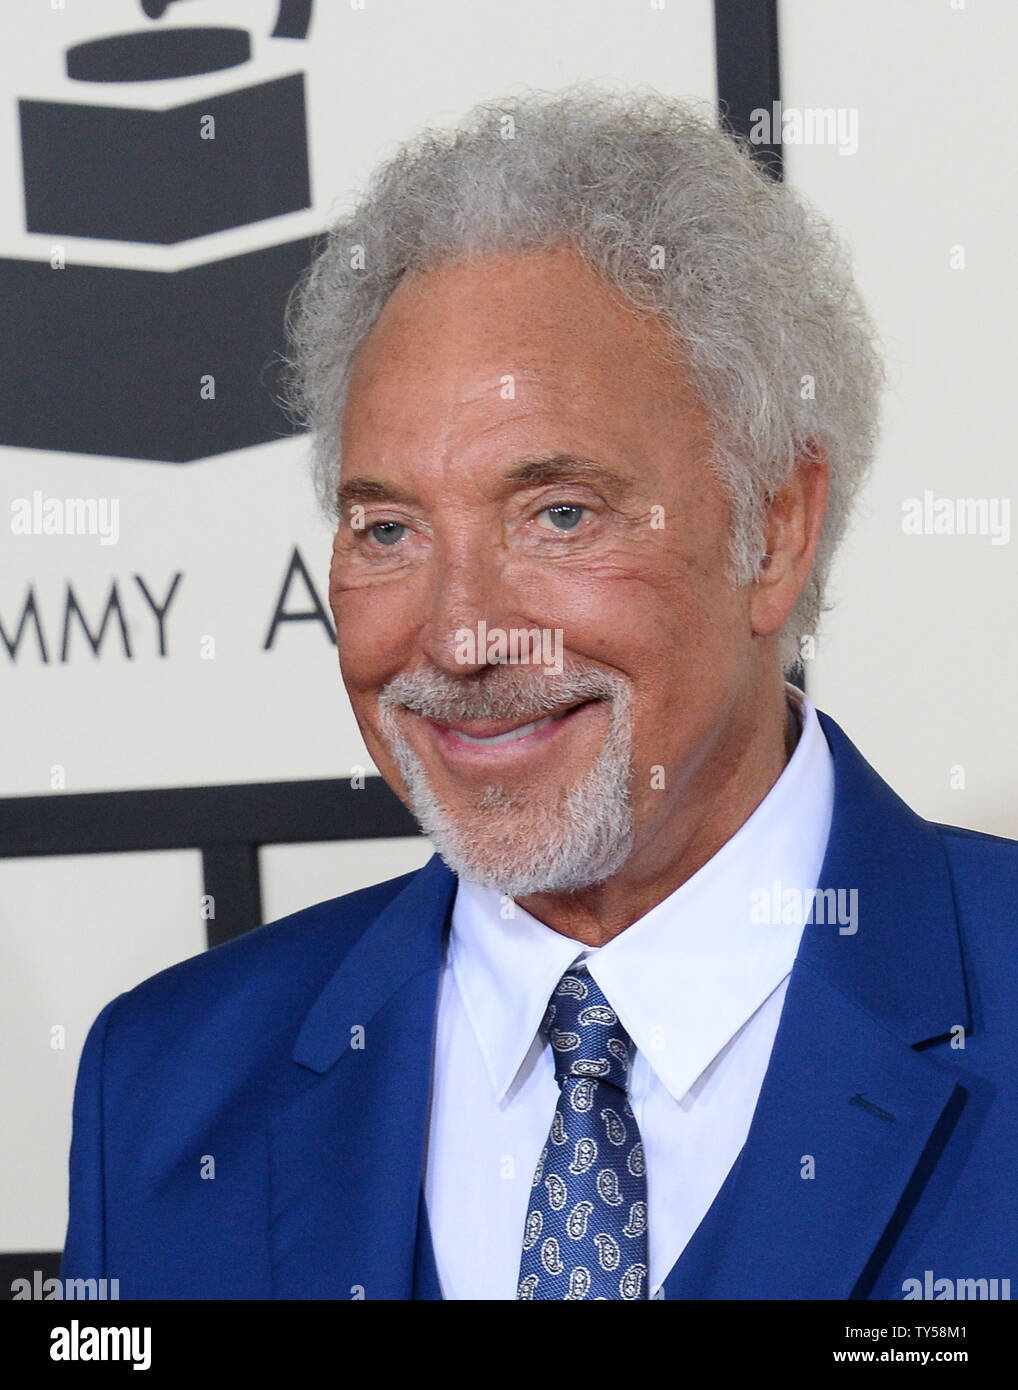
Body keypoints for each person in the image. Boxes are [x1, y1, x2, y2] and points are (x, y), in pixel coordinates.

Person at [62, 89, 1017, 1300]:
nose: (460, 636)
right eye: (390, 528)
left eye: (558, 514)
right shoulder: (163, 1090)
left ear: (773, 528)